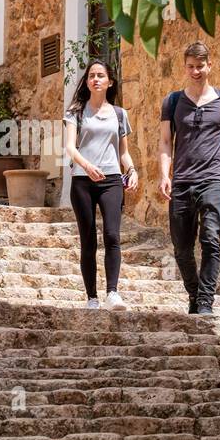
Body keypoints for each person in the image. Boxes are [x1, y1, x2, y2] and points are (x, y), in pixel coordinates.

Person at [159, 41, 220, 315]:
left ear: (210, 66)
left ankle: (206, 301)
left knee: (211, 238)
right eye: (190, 67)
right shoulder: (172, 102)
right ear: (185, 68)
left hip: (213, 179)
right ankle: (195, 294)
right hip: (182, 181)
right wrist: (164, 174)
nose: (195, 71)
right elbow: (165, 142)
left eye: (200, 66)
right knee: (181, 247)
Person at [64, 60, 138, 310]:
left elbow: (123, 152)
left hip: (111, 181)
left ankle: (113, 293)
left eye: (101, 75)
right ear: (87, 82)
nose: (96, 79)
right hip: (82, 181)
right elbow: (70, 148)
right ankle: (92, 298)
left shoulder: (119, 114)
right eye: (92, 76)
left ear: (110, 82)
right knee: (88, 239)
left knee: (112, 235)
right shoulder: (75, 111)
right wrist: (87, 166)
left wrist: (132, 170)